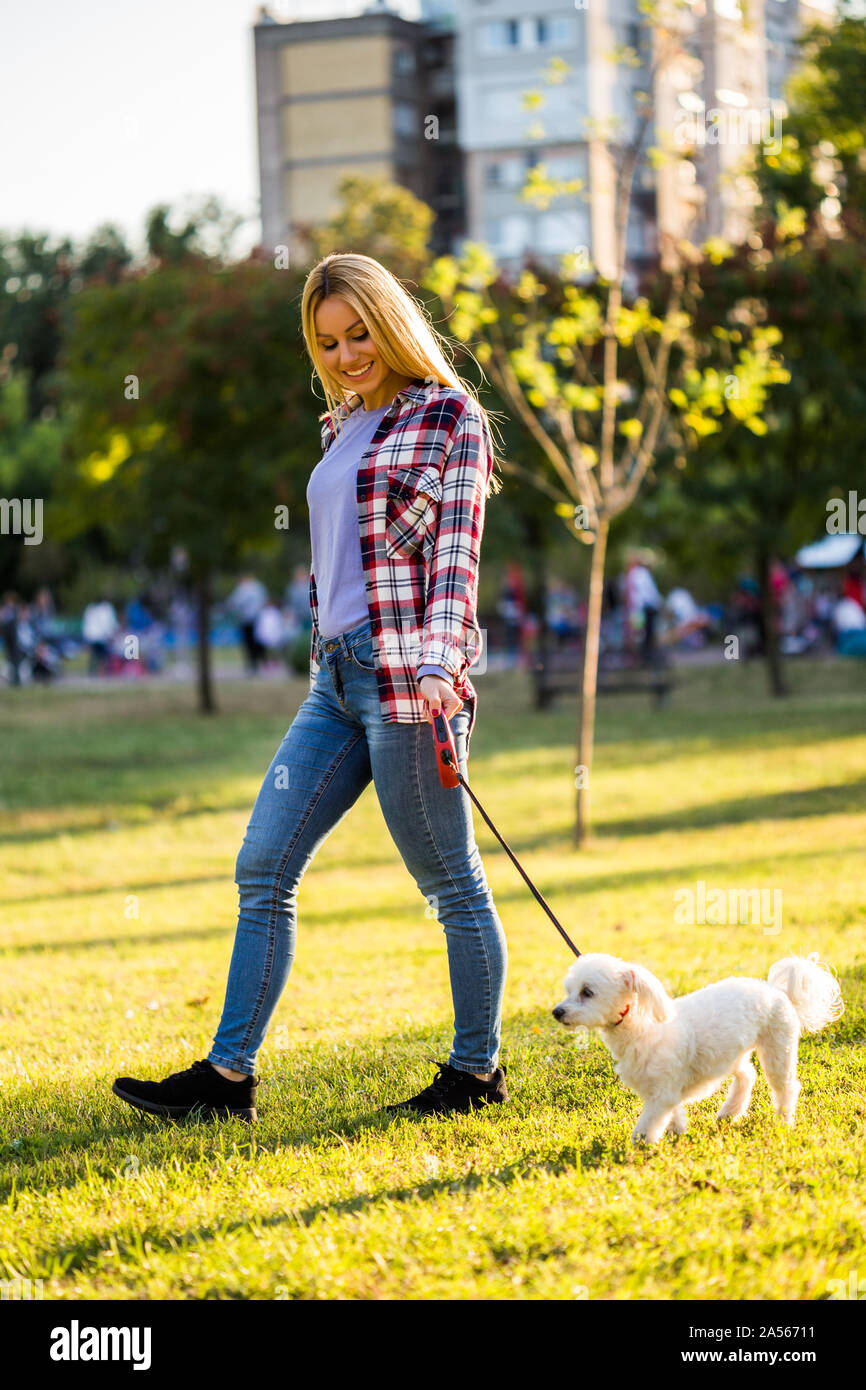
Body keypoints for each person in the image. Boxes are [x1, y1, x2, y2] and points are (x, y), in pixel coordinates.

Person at [112, 251, 510, 1124]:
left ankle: (475, 1073)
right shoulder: (339, 428)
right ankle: (226, 1081)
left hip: (410, 682)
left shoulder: (450, 418)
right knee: (264, 866)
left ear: (391, 322)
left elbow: (456, 559)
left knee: (451, 884)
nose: (345, 354)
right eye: (328, 341)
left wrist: (443, 662)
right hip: (335, 681)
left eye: (359, 333)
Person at [226, 573, 267, 674]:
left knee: (251, 642)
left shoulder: (245, 589)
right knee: (253, 642)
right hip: (250, 620)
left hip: (251, 620)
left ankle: (255, 663)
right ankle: (255, 662)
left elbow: (233, 603)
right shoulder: (256, 588)